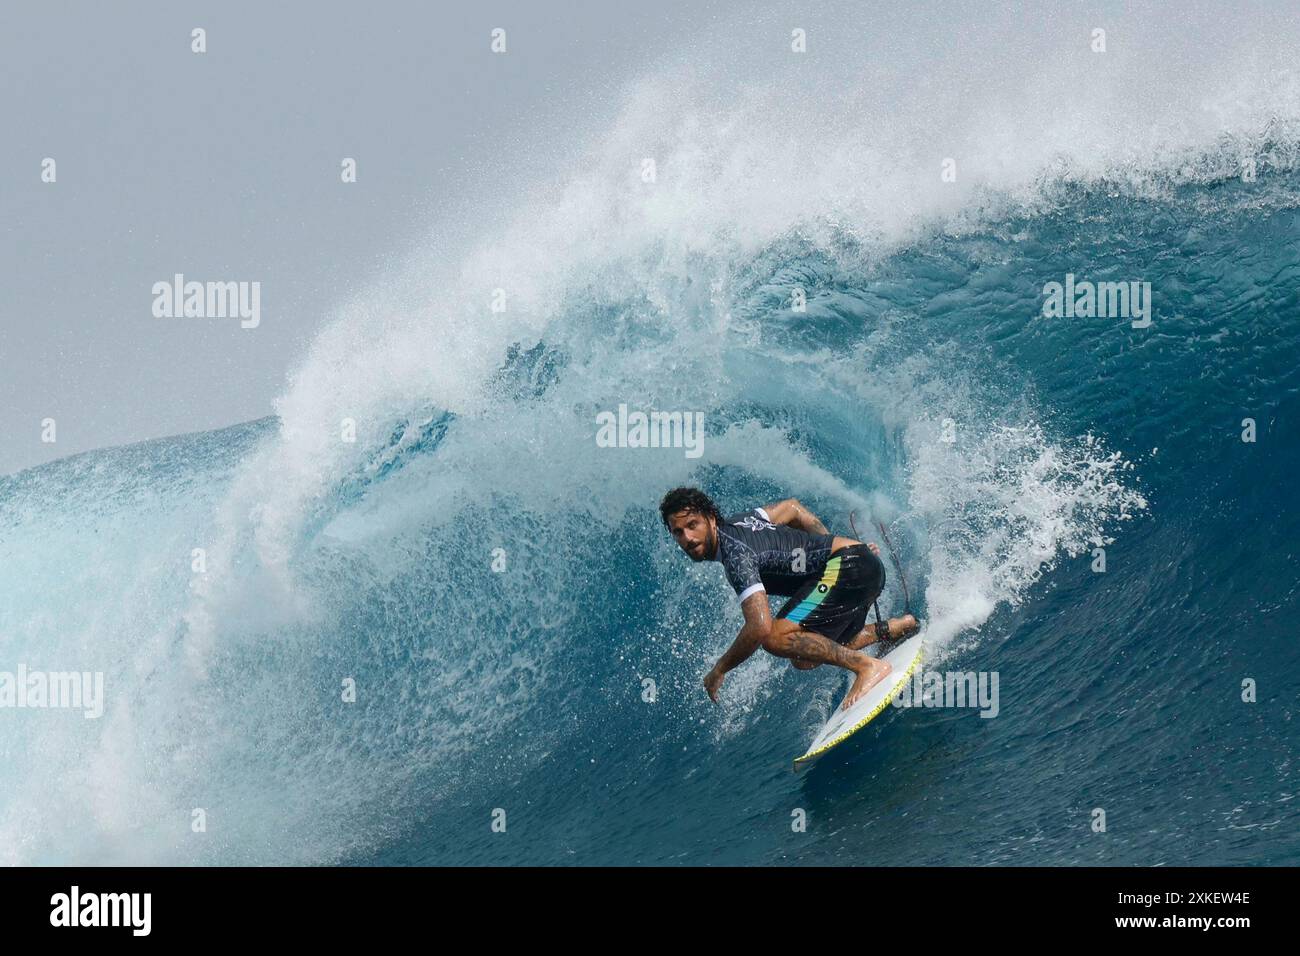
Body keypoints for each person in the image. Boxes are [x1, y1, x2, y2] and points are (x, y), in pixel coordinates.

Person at [660, 486, 918, 711]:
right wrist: (831, 545)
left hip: (849, 568)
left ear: (710, 518)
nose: (687, 538)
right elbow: (792, 508)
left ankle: (867, 666)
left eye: (692, 525)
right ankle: (889, 629)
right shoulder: (744, 521)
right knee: (805, 655)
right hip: (857, 568)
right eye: (678, 532)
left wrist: (720, 668)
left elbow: (758, 628)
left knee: (775, 637)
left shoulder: (735, 555)